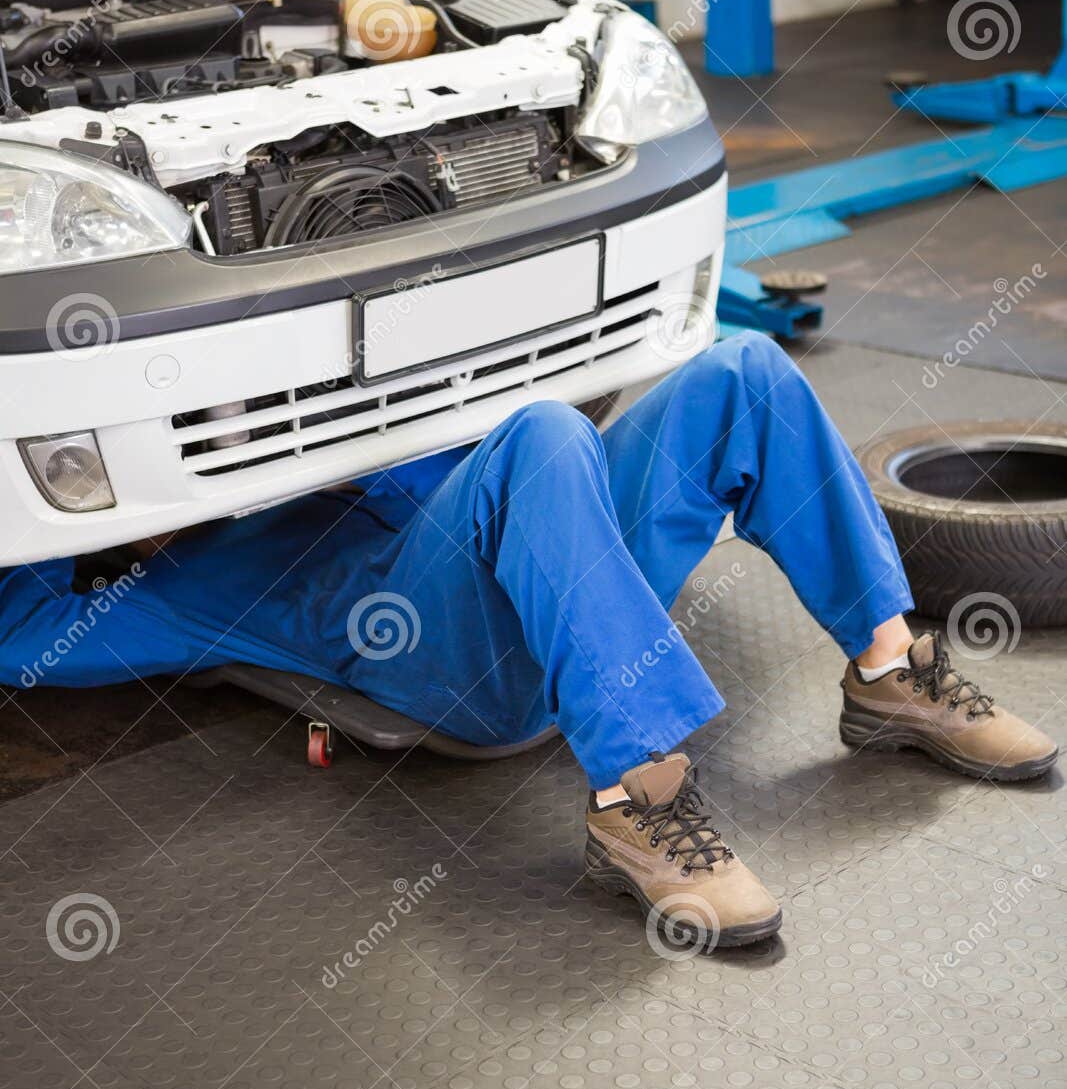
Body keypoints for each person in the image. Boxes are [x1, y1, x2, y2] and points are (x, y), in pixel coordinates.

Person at [0, 334, 1057, 947]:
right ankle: (637, 805)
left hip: (573, 568)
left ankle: (888, 672)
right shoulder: (209, 559)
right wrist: (93, 515)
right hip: (460, 666)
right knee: (545, 434)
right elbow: (25, 632)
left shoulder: (416, 423)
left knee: (744, 367)